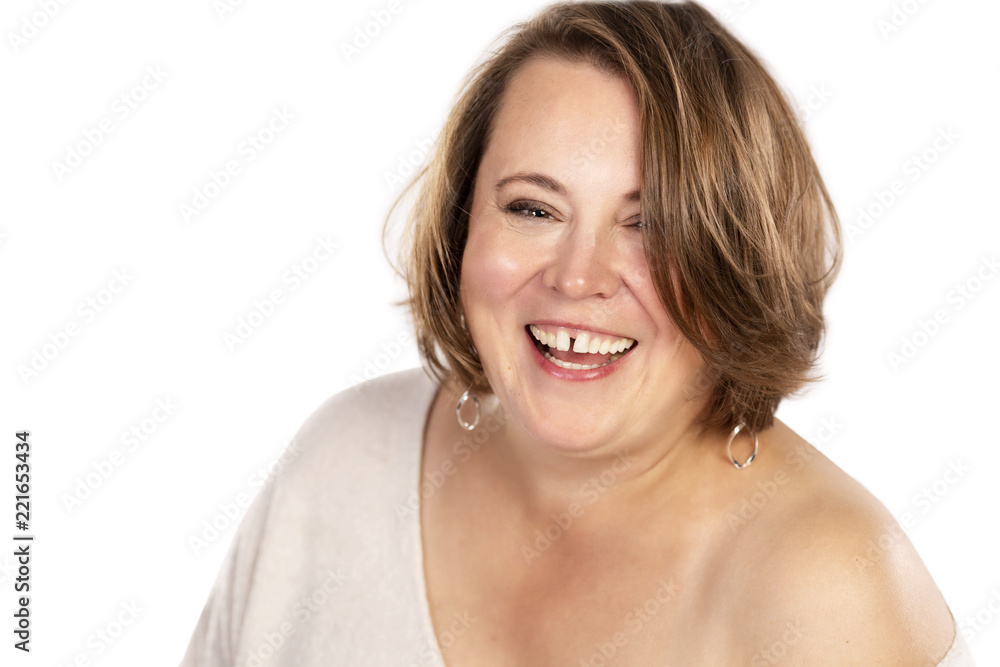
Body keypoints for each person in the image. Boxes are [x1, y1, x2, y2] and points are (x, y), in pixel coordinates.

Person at [179, 1, 975, 664]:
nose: (576, 276)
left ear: (738, 261)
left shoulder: (828, 587)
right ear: (462, 227)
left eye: (650, 225)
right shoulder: (342, 460)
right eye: (533, 208)